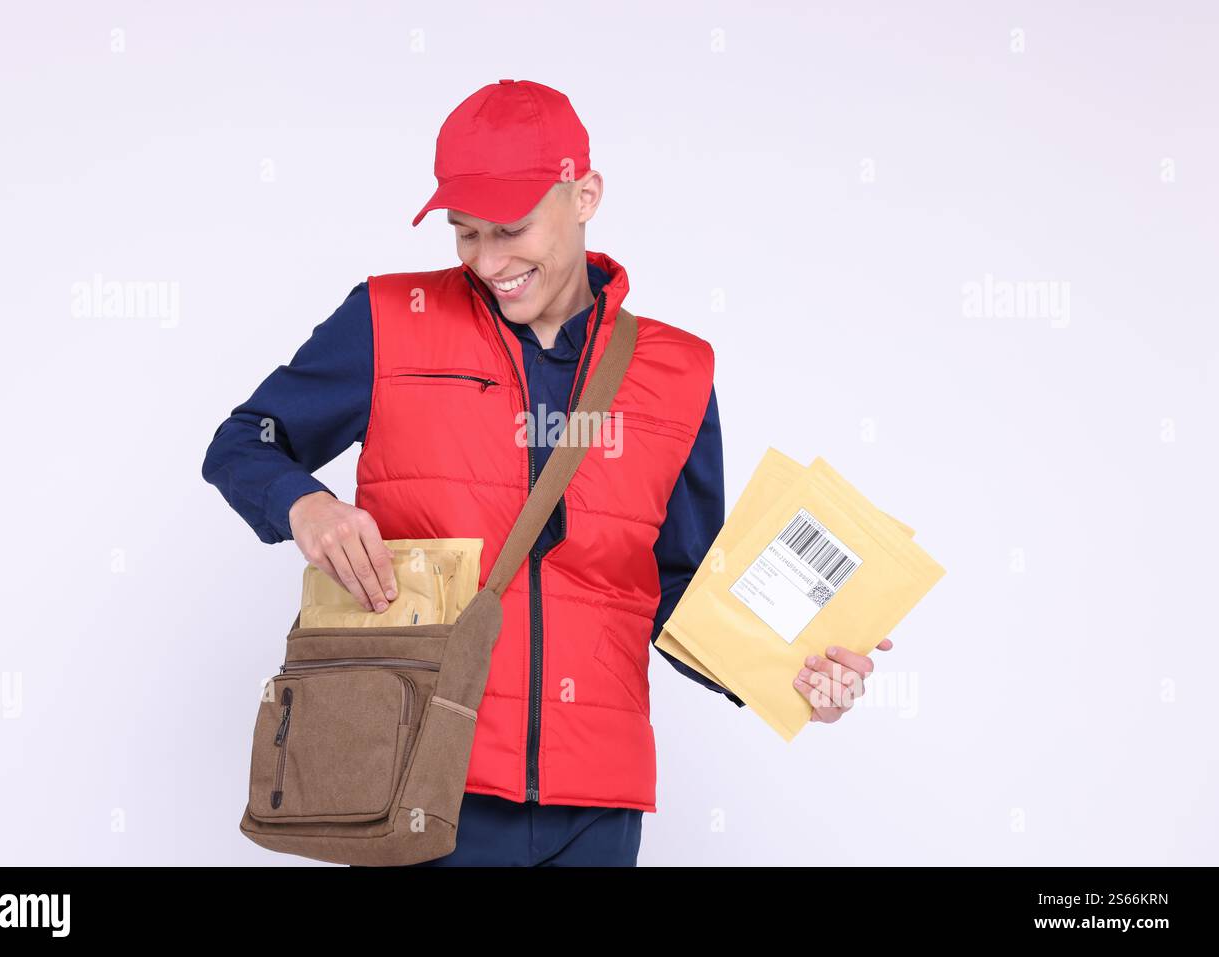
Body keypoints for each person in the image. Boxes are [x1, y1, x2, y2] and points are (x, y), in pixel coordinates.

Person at [202, 79, 883, 867]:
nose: (488, 262)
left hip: (598, 806)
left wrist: (792, 674)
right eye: (465, 233)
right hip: (421, 776)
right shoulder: (389, 320)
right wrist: (304, 503)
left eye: (511, 230)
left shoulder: (678, 371)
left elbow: (680, 588)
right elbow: (241, 441)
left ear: (586, 194)